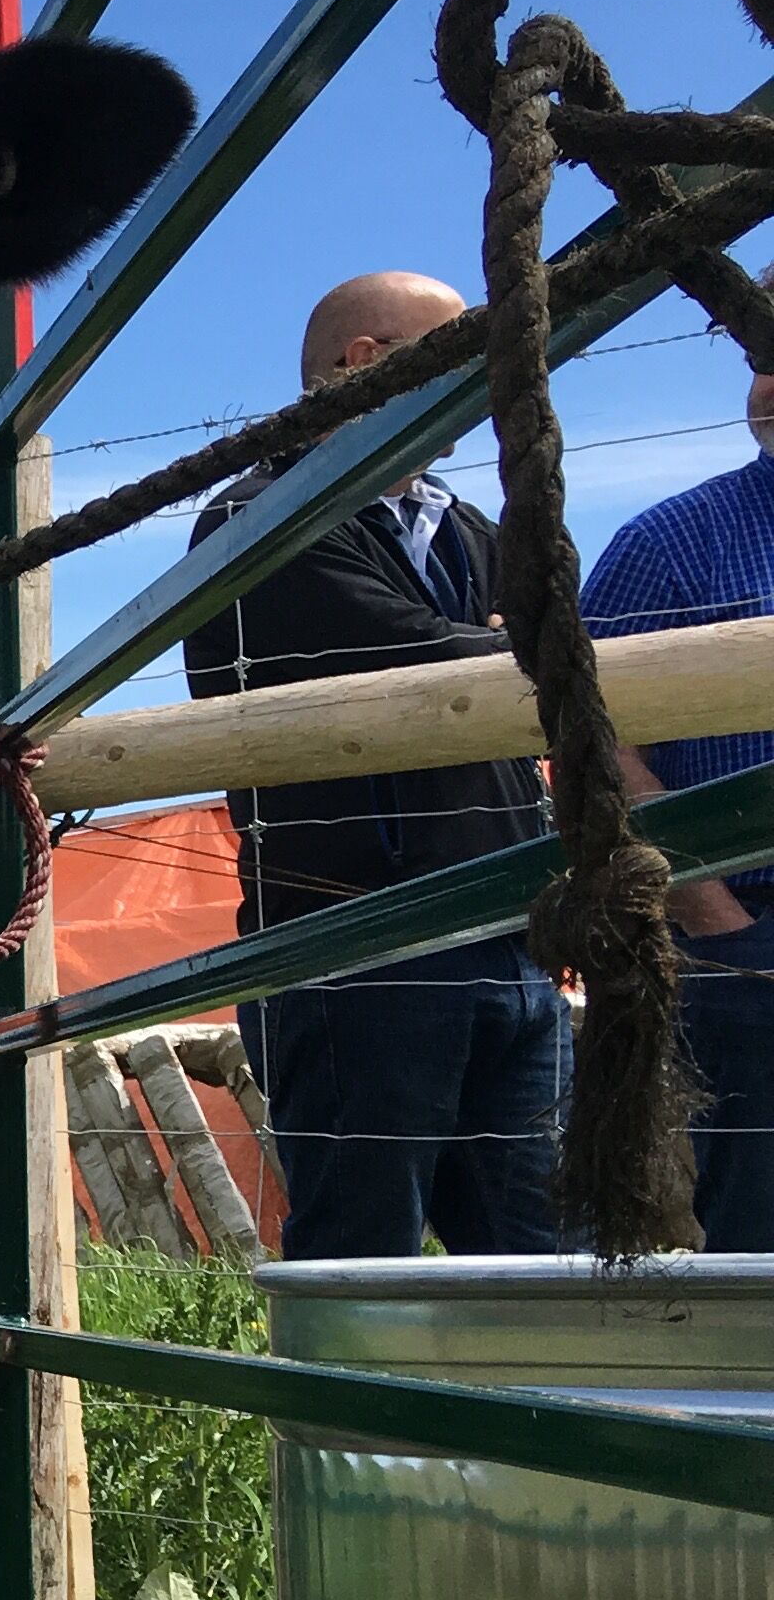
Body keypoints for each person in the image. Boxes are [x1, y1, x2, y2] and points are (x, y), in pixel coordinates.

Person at [183, 271, 565, 1259]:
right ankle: (347, 1423)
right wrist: (484, 643)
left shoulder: (472, 527)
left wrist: (476, 645)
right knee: (365, 1255)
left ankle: (522, 1414)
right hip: (356, 942)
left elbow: (538, 640)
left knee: (548, 1258)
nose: (488, 384)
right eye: (464, 354)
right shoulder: (258, 522)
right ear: (368, 364)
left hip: (507, 936)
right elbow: (432, 663)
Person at [580, 310, 774, 1250]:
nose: (767, 385)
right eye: (760, 359)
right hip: (751, 939)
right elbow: (583, 731)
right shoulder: (670, 545)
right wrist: (711, 912)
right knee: (758, 1230)